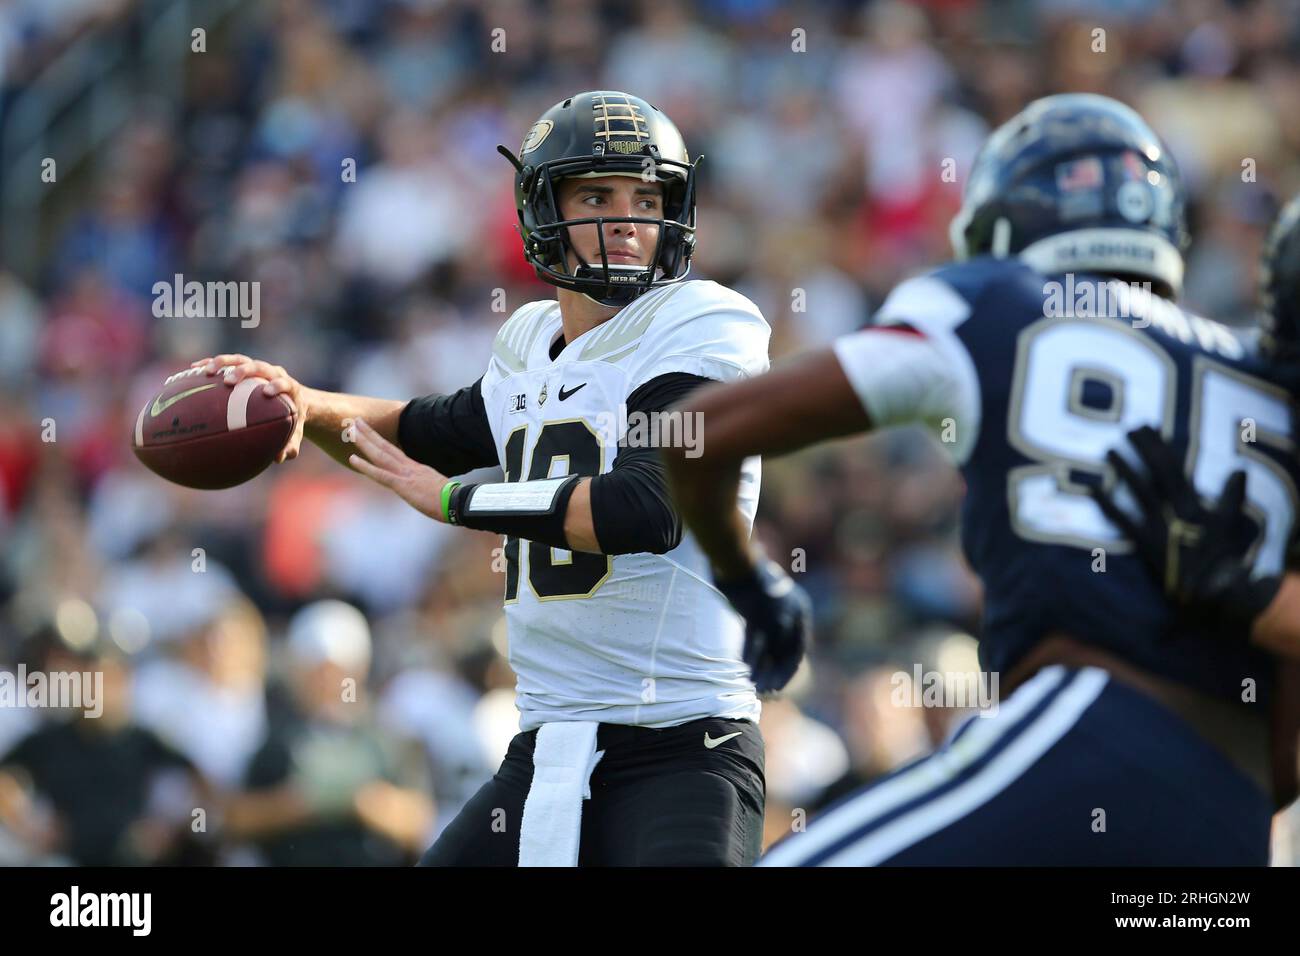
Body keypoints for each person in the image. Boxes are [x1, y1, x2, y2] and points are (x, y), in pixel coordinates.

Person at [663, 94, 1300, 865]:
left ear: (1000, 225)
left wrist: (747, 579)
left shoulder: (993, 304)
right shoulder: (1265, 382)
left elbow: (696, 435)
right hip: (1237, 821)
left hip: (1091, 735)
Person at [192, 91, 771, 866]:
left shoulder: (704, 324)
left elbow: (646, 508)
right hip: (549, 742)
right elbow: (426, 432)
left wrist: (451, 501)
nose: (630, 219)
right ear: (542, 209)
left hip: (685, 743)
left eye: (648, 195)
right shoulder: (530, 340)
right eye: (598, 194)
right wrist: (302, 402)